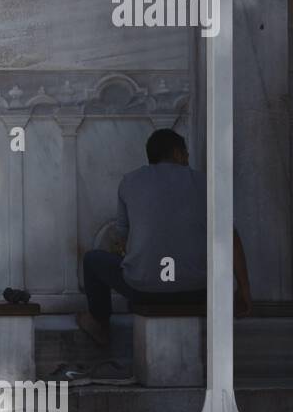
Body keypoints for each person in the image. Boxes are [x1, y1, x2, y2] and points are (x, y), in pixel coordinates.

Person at [77, 128, 252, 347]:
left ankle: (99, 322)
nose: (188, 159)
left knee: (93, 259)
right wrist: (244, 291)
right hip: (197, 291)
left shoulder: (129, 181)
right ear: (178, 153)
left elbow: (121, 237)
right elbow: (231, 240)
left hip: (143, 291)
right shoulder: (206, 183)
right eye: (186, 153)